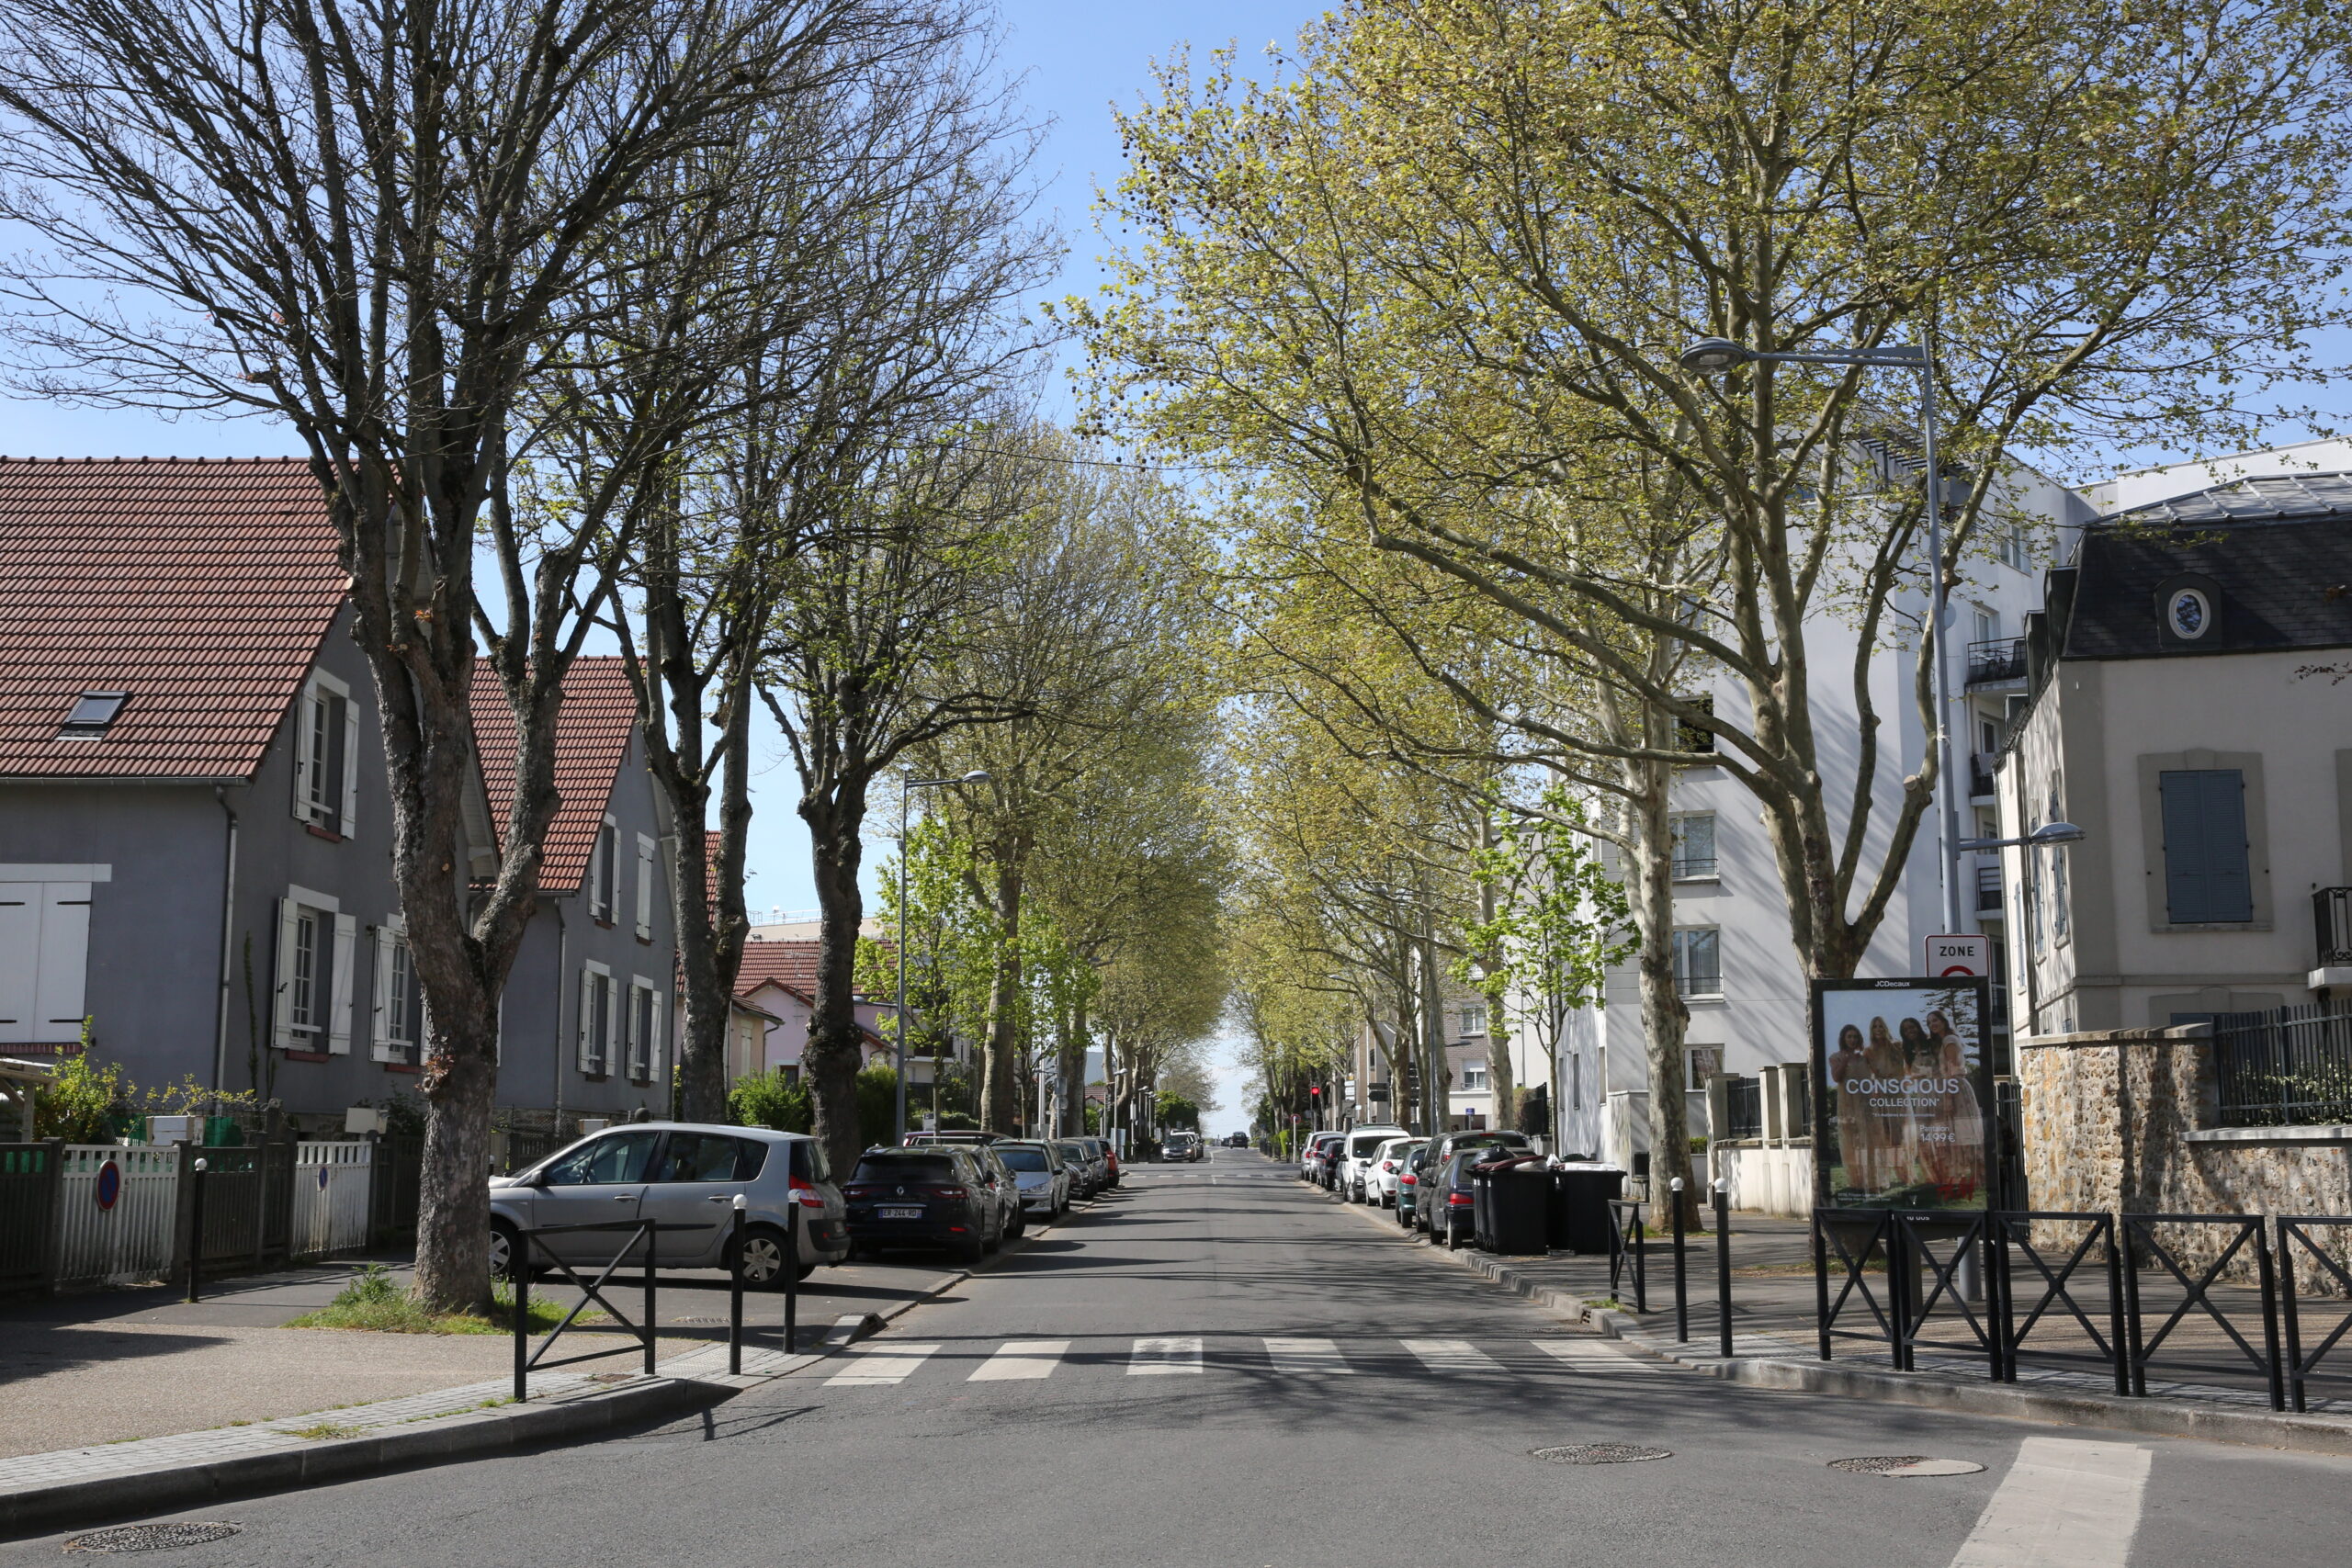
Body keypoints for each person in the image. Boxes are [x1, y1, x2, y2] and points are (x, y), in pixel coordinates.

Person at [1827, 1021, 1873, 1191]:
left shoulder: (1864, 1058)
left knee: (1866, 1140)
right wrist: (1846, 1059)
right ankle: (1855, 1180)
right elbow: (1836, 1077)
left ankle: (1870, 1178)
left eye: (1855, 1037)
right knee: (1850, 1142)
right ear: (1843, 1039)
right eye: (1849, 1037)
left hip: (1865, 1103)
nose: (1852, 1040)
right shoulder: (1835, 1057)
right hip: (1847, 1103)